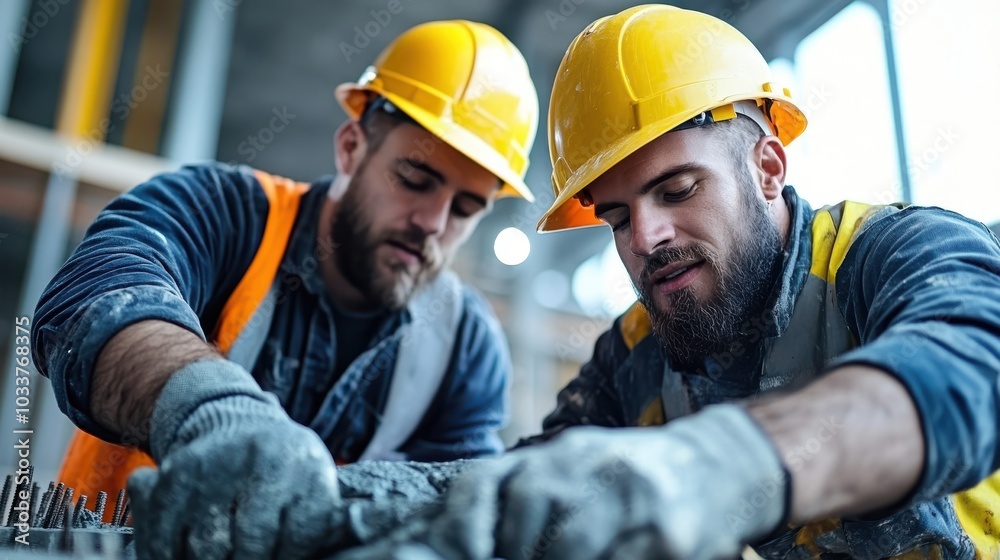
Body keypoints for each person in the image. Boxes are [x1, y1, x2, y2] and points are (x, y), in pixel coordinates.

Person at [376, 5, 1000, 560]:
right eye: (616, 218)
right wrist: (357, 500)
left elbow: (974, 366)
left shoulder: (892, 254)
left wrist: (721, 467)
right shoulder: (636, 353)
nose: (645, 238)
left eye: (677, 191)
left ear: (767, 168)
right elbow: (530, 490)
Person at [30, 19, 538, 559]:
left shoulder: (465, 348)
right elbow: (88, 300)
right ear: (350, 147)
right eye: (415, 179)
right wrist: (210, 409)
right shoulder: (223, 212)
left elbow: (455, 519)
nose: (434, 223)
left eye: (465, 209)